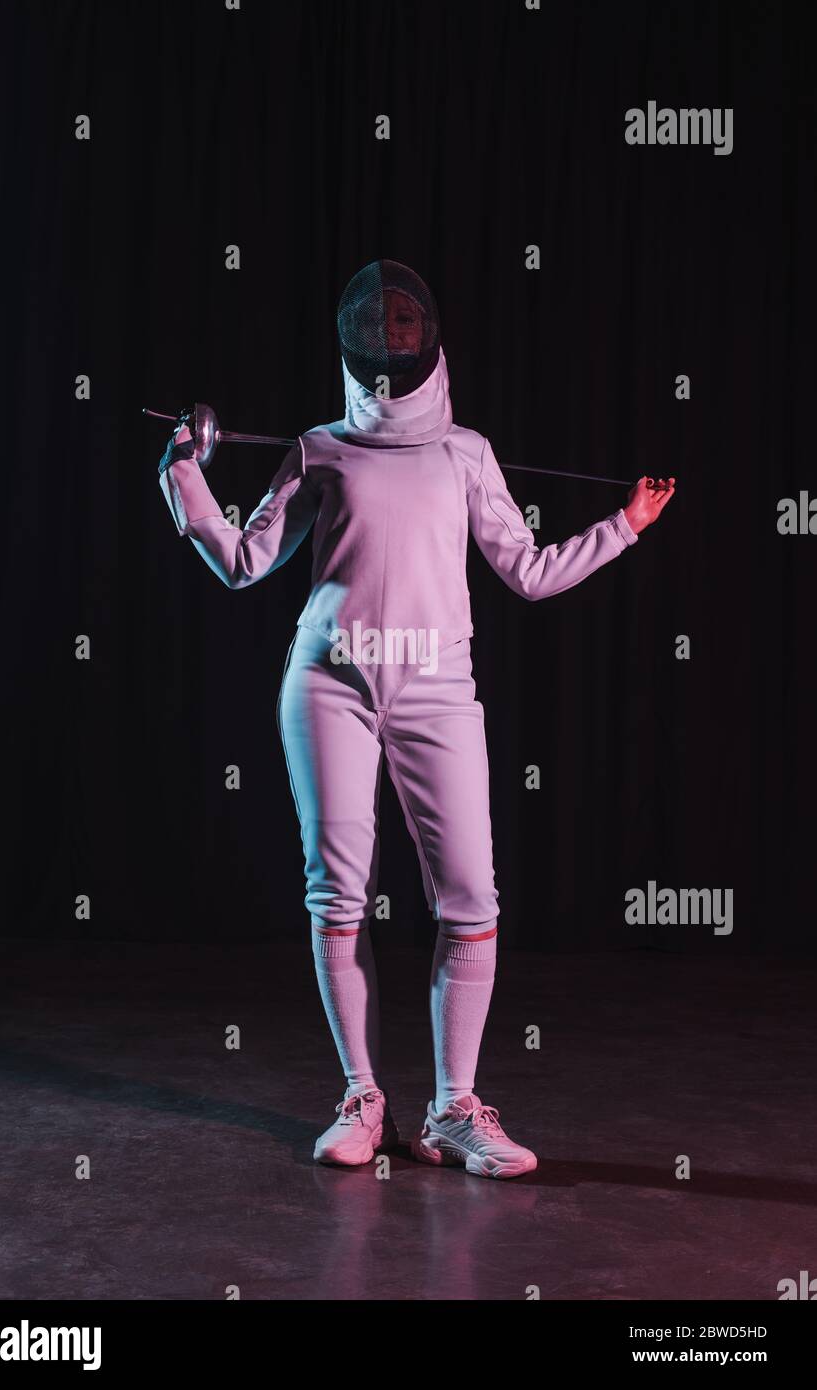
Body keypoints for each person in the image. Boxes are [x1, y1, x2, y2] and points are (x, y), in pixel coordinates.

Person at [158, 259, 675, 1179]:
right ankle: (361, 1098)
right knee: (338, 894)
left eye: (403, 329)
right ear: (358, 350)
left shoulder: (465, 452)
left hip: (436, 687)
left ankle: (450, 1111)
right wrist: (186, 476)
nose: (391, 338)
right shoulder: (318, 448)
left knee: (471, 897)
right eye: (380, 330)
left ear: (427, 345)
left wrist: (623, 525)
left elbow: (526, 570)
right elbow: (243, 560)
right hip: (330, 685)